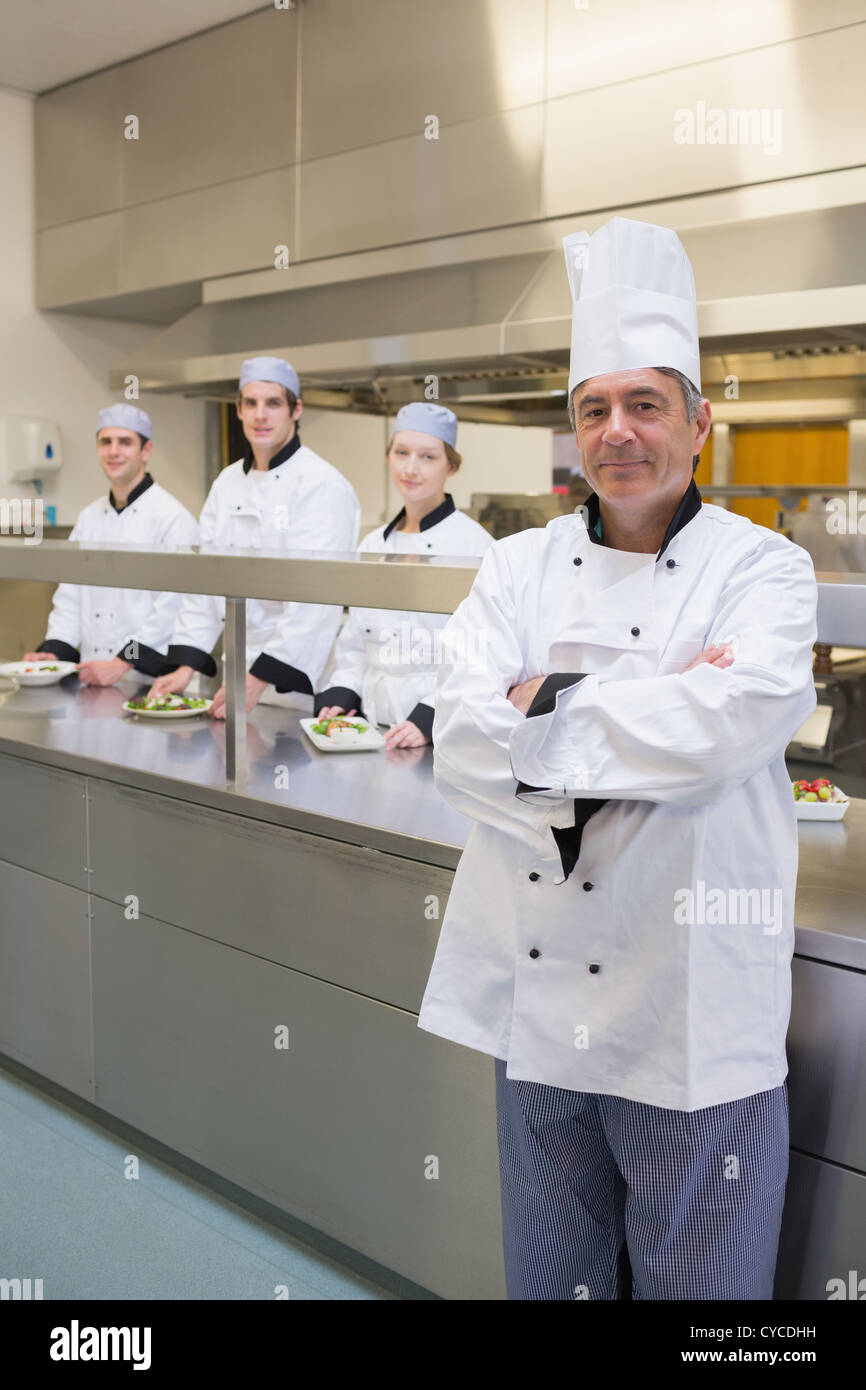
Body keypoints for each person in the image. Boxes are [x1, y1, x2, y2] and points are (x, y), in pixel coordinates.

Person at [417, 217, 818, 1300]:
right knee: (553, 1286)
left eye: (645, 403)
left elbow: (720, 733)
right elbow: (462, 738)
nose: (618, 432)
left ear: (698, 420)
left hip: (691, 1017)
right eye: (593, 409)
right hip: (537, 1015)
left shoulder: (765, 571)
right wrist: (657, 694)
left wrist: (540, 706)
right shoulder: (515, 567)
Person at [150, 357, 361, 720]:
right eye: (251, 403)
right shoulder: (226, 483)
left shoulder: (322, 485)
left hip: (294, 685)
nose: (260, 415)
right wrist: (186, 665)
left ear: (296, 410)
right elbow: (205, 582)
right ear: (238, 410)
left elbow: (316, 597)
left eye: (273, 403)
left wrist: (258, 678)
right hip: (236, 675)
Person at [314, 403, 493, 749]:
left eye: (428, 457)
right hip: (373, 728)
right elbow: (356, 641)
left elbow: (482, 653)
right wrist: (344, 691)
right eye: (401, 453)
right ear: (388, 457)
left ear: (451, 466)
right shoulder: (372, 545)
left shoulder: (476, 547)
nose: (411, 468)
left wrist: (430, 717)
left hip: (443, 732)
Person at [23, 405, 199, 685]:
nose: (113, 451)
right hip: (93, 675)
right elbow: (70, 594)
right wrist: (55, 651)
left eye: (125, 442)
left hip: (152, 681)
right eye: (106, 442)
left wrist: (123, 661)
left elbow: (173, 607)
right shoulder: (89, 518)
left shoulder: (172, 518)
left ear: (146, 450)